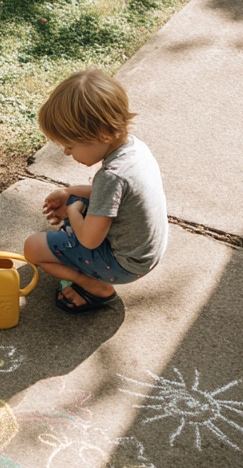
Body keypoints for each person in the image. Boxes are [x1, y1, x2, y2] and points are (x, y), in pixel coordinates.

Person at [23, 69, 167, 313]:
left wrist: (74, 210)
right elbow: (117, 196)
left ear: (102, 134)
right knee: (78, 200)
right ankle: (82, 259)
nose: (67, 153)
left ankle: (94, 286)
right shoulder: (134, 148)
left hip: (125, 265)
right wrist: (71, 192)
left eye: (70, 146)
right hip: (145, 252)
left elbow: (90, 239)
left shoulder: (111, 176)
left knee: (32, 248)